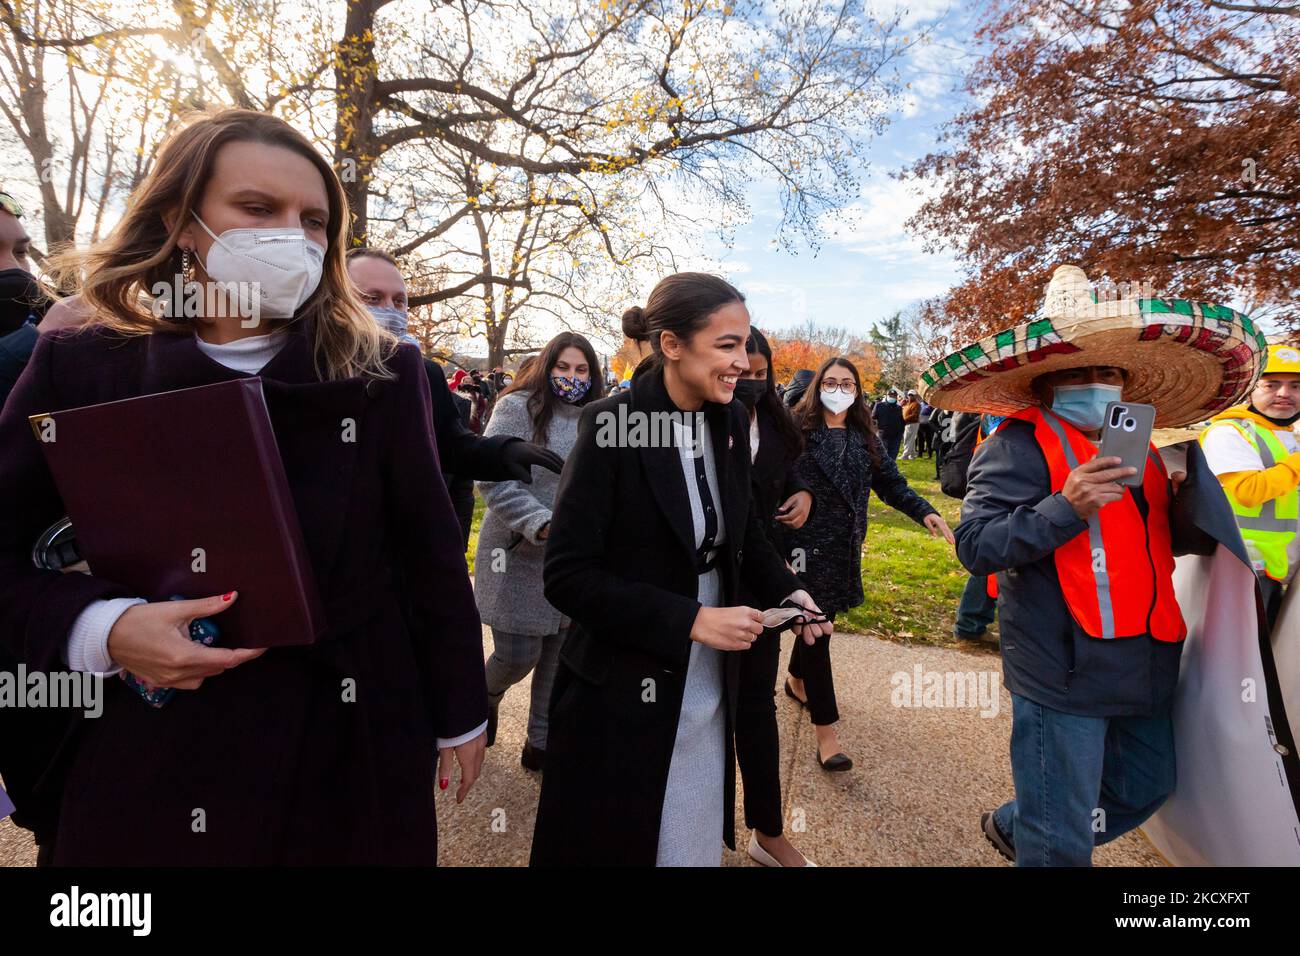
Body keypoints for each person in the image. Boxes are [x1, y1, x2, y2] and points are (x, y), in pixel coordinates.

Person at [0, 108, 490, 864]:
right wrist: (103, 629)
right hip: (152, 742)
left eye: (315, 220)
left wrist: (460, 710)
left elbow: (427, 550)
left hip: (351, 742)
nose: (293, 235)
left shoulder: (383, 376)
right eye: (258, 209)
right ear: (183, 221)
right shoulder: (85, 366)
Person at [935, 264, 1262, 866]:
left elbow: (1175, 543)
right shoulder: (1015, 445)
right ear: (1046, 385)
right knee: (1061, 841)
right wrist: (1065, 507)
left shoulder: (1144, 443)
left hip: (1147, 659)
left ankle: (1019, 825)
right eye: (1076, 373)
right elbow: (975, 546)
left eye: (1107, 372)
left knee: (1144, 787)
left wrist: (1189, 491)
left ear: (1126, 381)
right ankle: (1041, 833)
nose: (1095, 384)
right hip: (1062, 670)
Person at [531, 272, 831, 867]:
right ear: (671, 344)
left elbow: (740, 531)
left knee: (687, 837)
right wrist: (690, 619)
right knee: (624, 835)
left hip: (710, 679)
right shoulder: (609, 426)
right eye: (727, 345)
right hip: (622, 686)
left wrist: (790, 591)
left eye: (745, 345)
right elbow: (567, 575)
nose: (744, 363)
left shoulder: (725, 421)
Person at [785, 357, 952, 771]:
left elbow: (891, 483)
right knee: (816, 633)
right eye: (830, 382)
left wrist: (925, 511)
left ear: (858, 391)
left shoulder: (865, 437)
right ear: (816, 387)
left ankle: (795, 680)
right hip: (803, 549)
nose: (838, 390)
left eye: (847, 383)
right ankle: (827, 734)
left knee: (820, 625)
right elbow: (776, 480)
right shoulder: (797, 432)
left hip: (843, 549)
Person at [345, 247, 561, 549]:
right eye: (372, 298)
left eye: (399, 301)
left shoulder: (424, 373)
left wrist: (504, 452)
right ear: (338, 301)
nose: (390, 310)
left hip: (404, 550)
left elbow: (453, 446)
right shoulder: (308, 368)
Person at [474, 331, 603, 772]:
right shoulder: (517, 408)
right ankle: (482, 698)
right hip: (516, 553)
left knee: (558, 656)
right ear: (547, 367)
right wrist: (539, 522)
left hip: (573, 559)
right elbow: (491, 477)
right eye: (563, 367)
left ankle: (541, 742)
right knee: (517, 654)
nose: (572, 376)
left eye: (581, 369)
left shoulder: (599, 417)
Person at [733, 328, 816, 867]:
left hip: (761, 579)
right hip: (695, 586)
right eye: (744, 372)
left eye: (763, 374)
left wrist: (802, 491)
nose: (752, 383)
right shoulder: (689, 420)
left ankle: (768, 831)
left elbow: (794, 467)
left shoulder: (778, 425)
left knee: (756, 706)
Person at [1200, 344, 1300, 631]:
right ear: (1251, 390)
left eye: (1295, 386)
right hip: (1243, 569)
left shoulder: (1288, 437)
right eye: (1272, 384)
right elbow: (1248, 491)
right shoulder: (1229, 432)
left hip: (1278, 571)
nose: (1284, 393)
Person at [873, 388, 904, 459]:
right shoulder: (879, 406)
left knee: (893, 455)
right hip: (883, 435)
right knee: (881, 455)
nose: (892, 397)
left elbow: (902, 421)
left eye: (894, 396)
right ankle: (881, 469)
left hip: (895, 436)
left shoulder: (899, 408)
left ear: (896, 397)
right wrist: (876, 430)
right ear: (886, 396)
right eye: (890, 395)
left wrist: (900, 433)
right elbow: (873, 418)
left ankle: (891, 469)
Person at [900, 389, 921, 459]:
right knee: (909, 439)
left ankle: (905, 455)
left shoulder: (916, 404)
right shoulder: (907, 404)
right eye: (909, 395)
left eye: (912, 395)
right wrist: (902, 404)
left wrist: (904, 419)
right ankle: (912, 455)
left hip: (913, 423)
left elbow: (914, 415)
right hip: (907, 423)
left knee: (908, 439)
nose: (910, 396)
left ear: (915, 396)